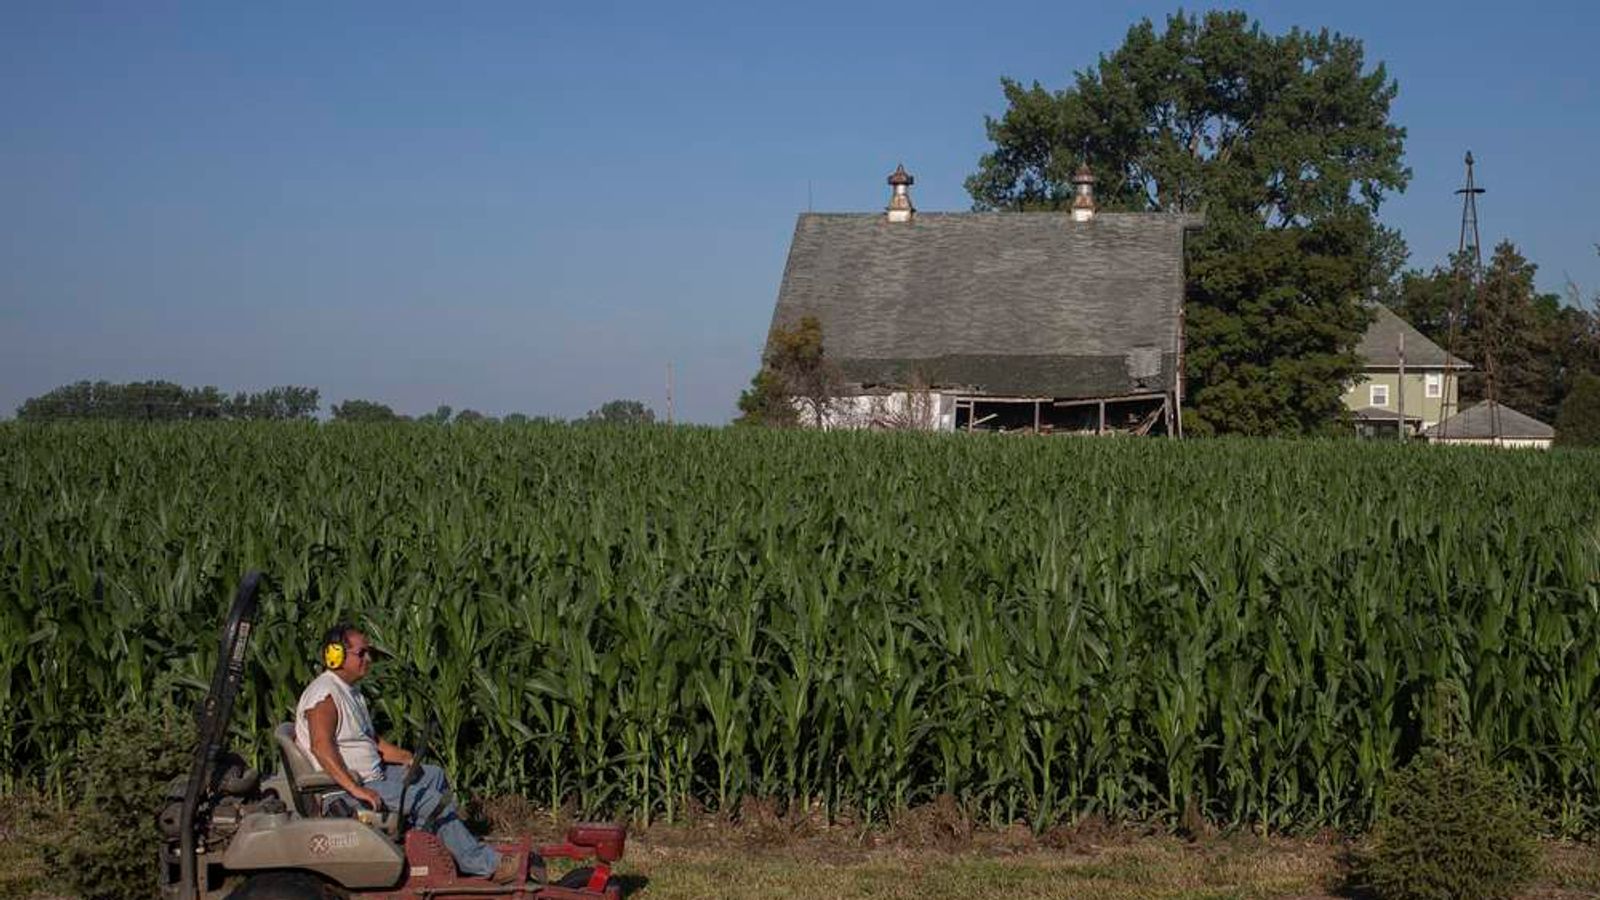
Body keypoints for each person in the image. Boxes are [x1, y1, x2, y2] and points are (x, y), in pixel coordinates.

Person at [294, 623, 520, 884]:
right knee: (430, 800)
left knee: (432, 776)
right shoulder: (324, 695)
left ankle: (433, 853)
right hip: (345, 791)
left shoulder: (351, 693)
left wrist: (407, 758)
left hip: (370, 777)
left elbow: (372, 742)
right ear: (335, 655)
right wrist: (357, 790)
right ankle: (486, 865)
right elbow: (321, 747)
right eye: (362, 653)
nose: (368, 659)